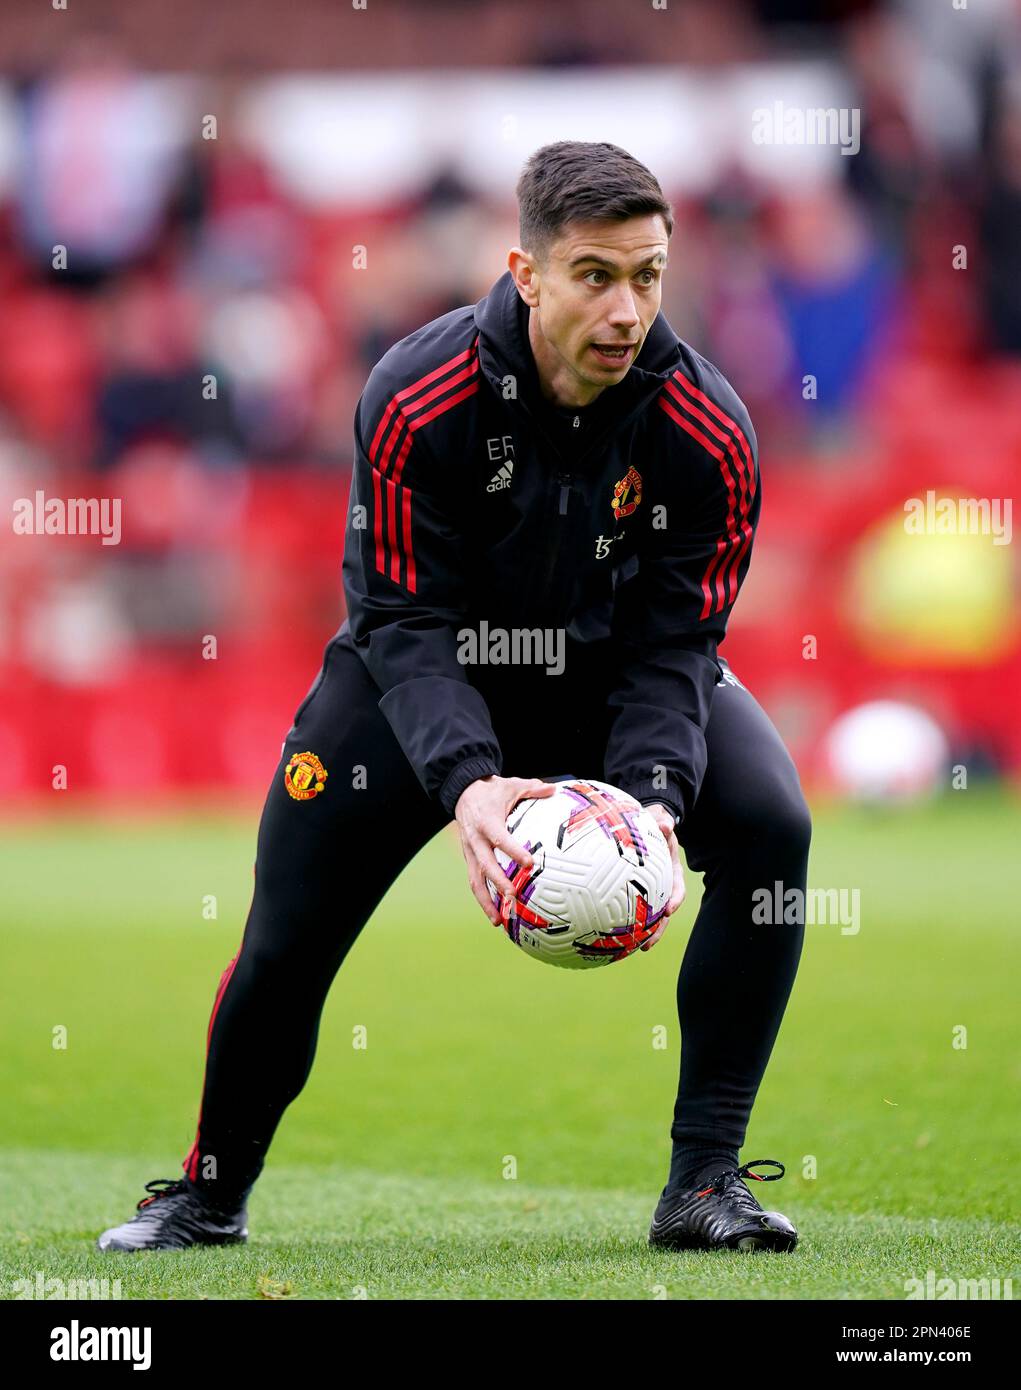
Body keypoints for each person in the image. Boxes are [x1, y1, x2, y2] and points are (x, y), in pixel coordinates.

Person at [97, 140, 810, 1255]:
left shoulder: (707, 430)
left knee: (773, 825)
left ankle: (704, 1184)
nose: (627, 308)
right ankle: (208, 1193)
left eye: (648, 275)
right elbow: (398, 617)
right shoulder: (416, 394)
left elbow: (678, 641)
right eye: (595, 276)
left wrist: (653, 802)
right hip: (417, 681)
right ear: (525, 272)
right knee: (288, 927)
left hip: (611, 680)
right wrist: (470, 785)